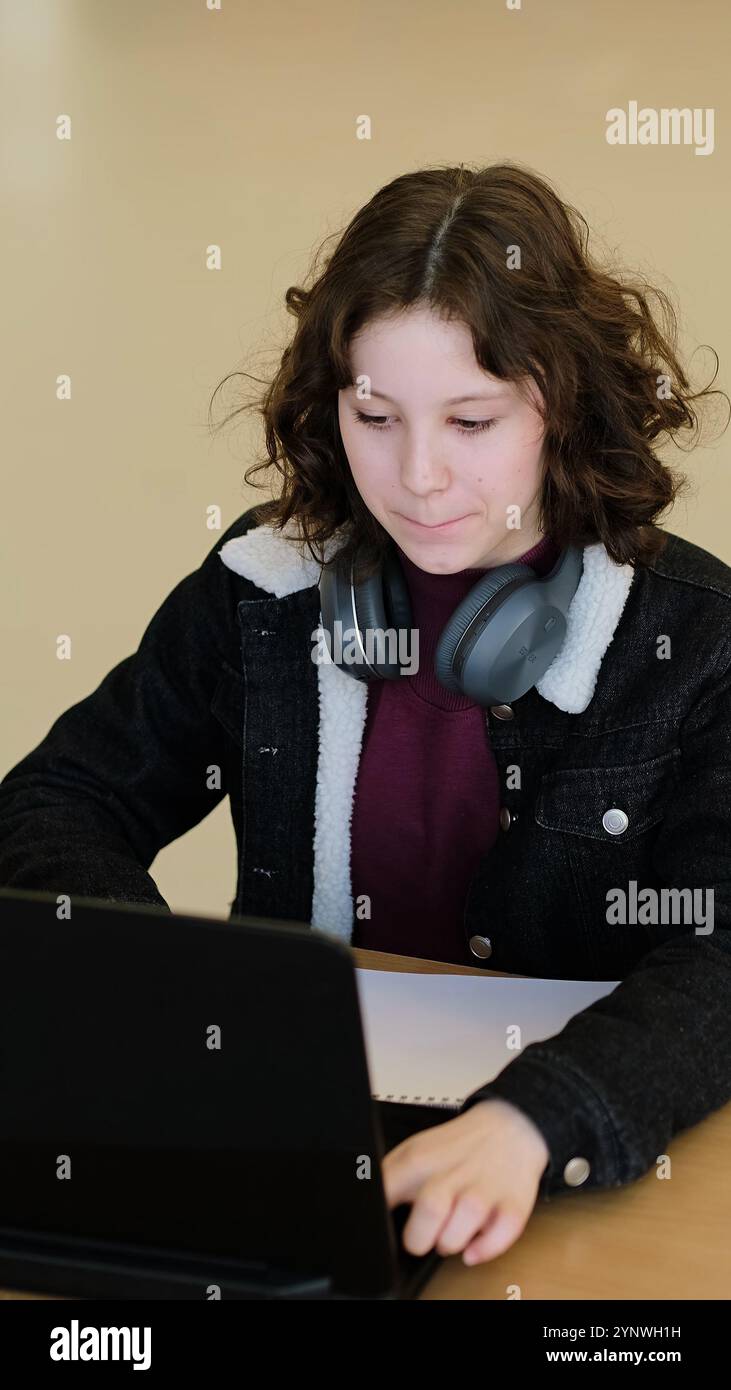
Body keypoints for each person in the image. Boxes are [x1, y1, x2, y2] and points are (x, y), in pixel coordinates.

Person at [2, 161, 730, 1272]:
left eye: (472, 419)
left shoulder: (691, 637)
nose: (419, 475)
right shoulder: (262, 590)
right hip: (299, 1131)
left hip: (566, 1154)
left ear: (562, 406)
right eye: (375, 415)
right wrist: (173, 1010)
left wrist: (536, 1118)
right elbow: (59, 801)